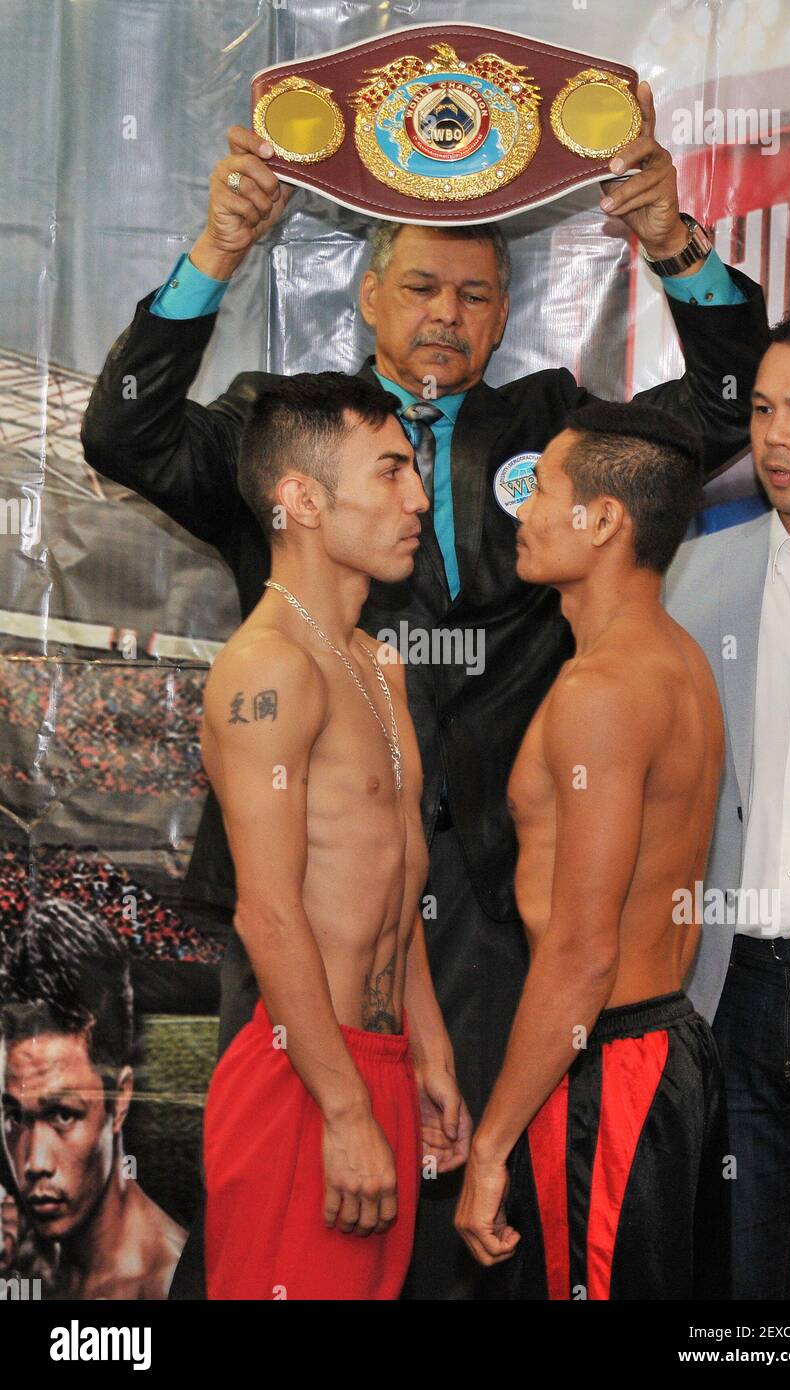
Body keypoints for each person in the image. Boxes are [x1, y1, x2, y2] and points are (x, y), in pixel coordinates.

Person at [81, 81, 769, 1298]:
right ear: (365, 295)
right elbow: (125, 436)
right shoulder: (284, 433)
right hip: (314, 893)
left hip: (503, 897)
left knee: (475, 1212)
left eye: (473, 292)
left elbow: (728, 408)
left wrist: (673, 245)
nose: (446, 314)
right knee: (295, 1197)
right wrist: (215, 251)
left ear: (506, 310)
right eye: (419, 287)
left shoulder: (557, 432)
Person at [200, 373, 467, 1299]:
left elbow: (399, 878)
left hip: (377, 1067)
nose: (418, 499)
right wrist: (345, 1109)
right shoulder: (267, 668)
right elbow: (267, 915)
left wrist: (426, 1052)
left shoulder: (374, 664)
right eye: (389, 472)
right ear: (302, 499)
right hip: (301, 1077)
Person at [456, 404, 728, 1299]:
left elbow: (582, 948)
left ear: (604, 520)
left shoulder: (603, 688)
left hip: (606, 1068)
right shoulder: (677, 660)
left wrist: (490, 1147)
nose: (520, 512)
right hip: (656, 1055)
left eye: (542, 492)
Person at [664, 307, 790, 1300]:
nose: (770, 436)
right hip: (730, 986)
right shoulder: (696, 575)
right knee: (735, 1283)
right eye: (757, 410)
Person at [0, 898, 186, 1299]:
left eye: (63, 1115)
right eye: (15, 1117)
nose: (34, 1164)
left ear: (120, 1101)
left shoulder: (173, 1284)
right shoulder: (22, 1262)